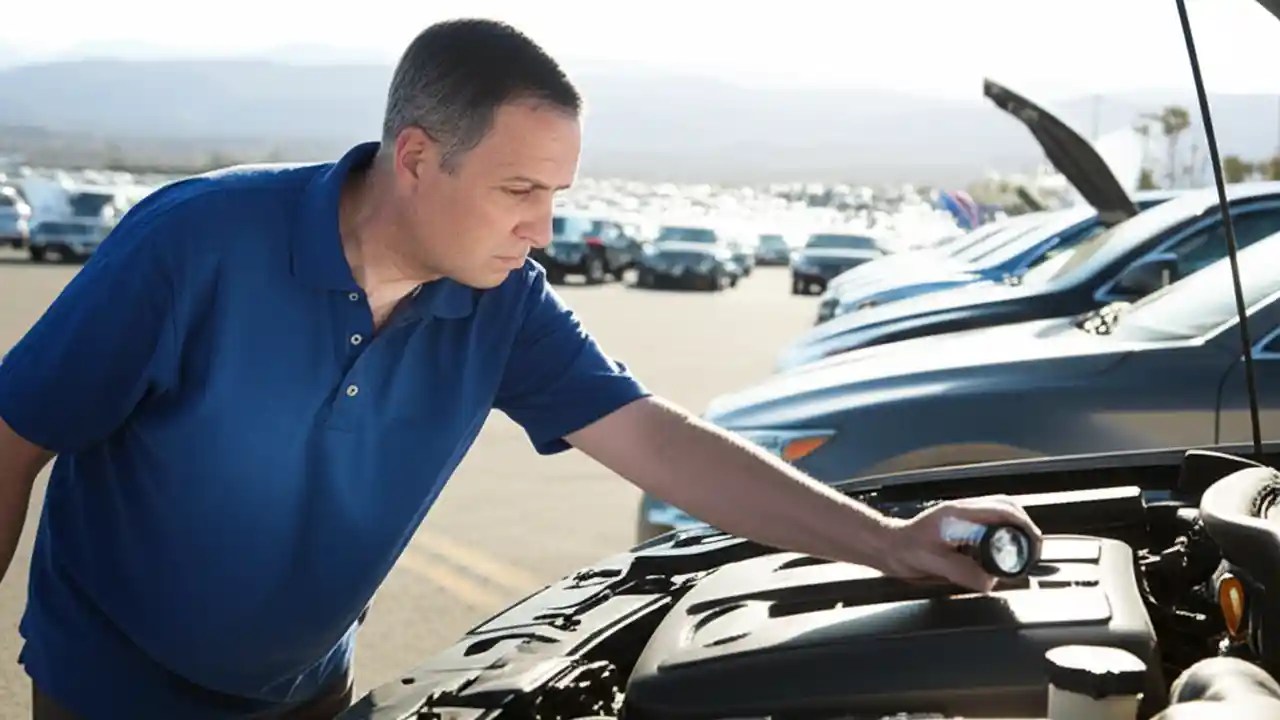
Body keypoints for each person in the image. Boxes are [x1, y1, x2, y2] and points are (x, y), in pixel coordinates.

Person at [0, 18, 1042, 719]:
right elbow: (14, 438)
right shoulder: (193, 244)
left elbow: (652, 437)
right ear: (414, 159)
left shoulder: (500, 302)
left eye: (556, 193)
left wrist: (886, 542)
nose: (540, 228)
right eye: (517, 189)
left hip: (307, 693)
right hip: (112, 688)